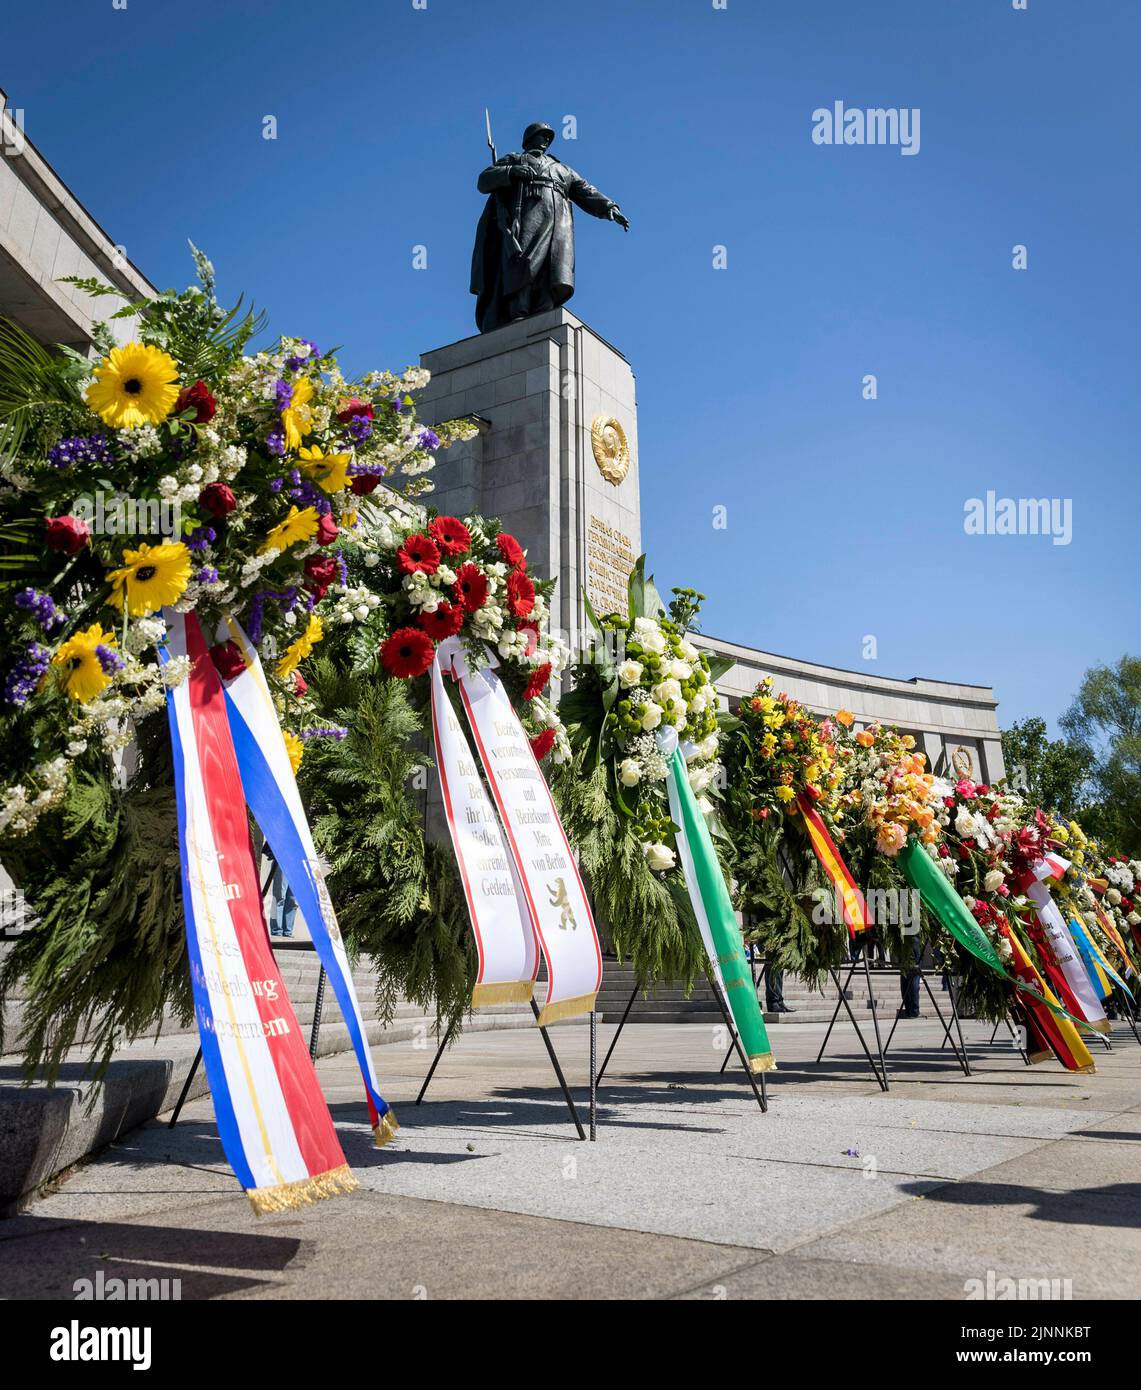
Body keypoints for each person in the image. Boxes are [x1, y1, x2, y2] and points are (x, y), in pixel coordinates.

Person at [471, 121, 629, 332]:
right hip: (528, 216)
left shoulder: (562, 169)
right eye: (541, 135)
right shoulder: (515, 158)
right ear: (529, 139)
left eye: (548, 136)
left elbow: (585, 190)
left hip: (557, 222)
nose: (546, 139)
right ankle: (520, 311)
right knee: (524, 262)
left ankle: (543, 311)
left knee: (550, 266)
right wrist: (511, 172)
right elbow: (484, 180)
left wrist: (609, 208)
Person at [268, 857, 296, 939]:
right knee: (279, 898)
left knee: (292, 899)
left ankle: (288, 931)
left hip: (297, 864)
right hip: (282, 859)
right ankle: (276, 930)